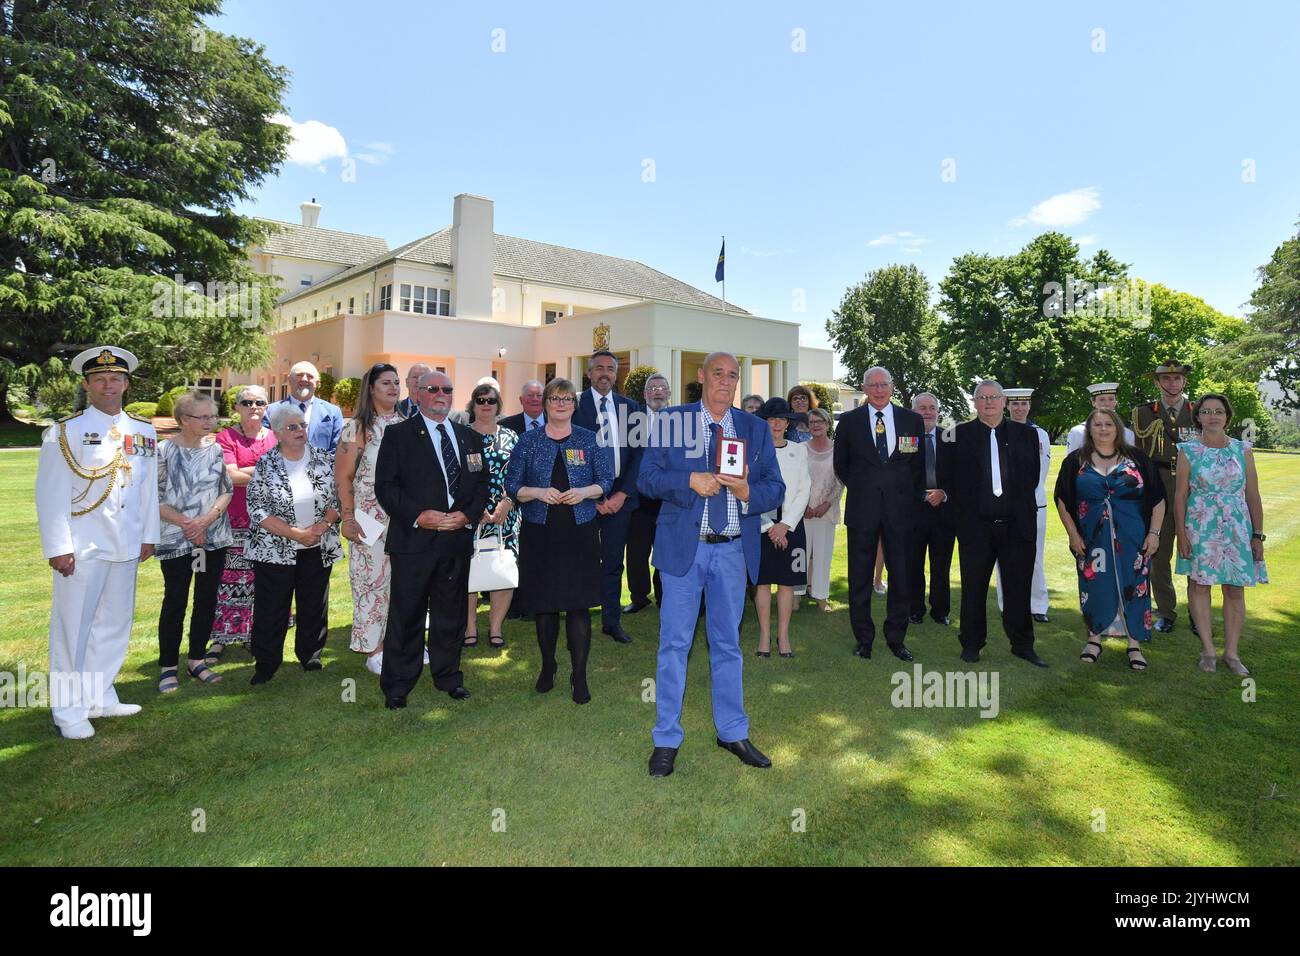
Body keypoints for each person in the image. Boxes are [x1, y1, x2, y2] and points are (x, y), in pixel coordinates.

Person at [639, 351, 785, 777]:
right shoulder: (672, 422)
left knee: (727, 645)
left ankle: (732, 731)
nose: (724, 381)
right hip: (685, 550)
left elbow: (775, 488)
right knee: (674, 645)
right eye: (717, 373)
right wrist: (687, 480)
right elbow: (645, 479)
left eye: (732, 375)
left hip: (733, 551)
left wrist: (745, 493)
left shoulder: (755, 429)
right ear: (701, 376)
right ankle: (666, 737)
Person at [36, 346, 159, 739]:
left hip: (125, 541)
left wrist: (149, 535)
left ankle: (99, 695)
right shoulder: (64, 431)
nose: (110, 385)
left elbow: (147, 489)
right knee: (74, 628)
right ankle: (68, 710)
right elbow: (50, 493)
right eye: (101, 379)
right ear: (87, 384)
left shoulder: (143, 430)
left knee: (114, 623)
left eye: (116, 378)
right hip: (83, 544)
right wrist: (58, 546)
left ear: (126, 383)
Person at [374, 371, 490, 707]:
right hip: (414, 541)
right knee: (406, 614)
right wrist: (418, 515)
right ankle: (397, 685)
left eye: (447, 389)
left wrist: (466, 515)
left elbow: (482, 483)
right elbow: (386, 487)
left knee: (450, 615)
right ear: (419, 394)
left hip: (455, 541)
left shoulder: (468, 437)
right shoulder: (399, 435)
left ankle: (448, 676)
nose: (441, 394)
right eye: (433, 389)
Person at [506, 378, 612, 703]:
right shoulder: (528, 440)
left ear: (574, 405)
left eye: (567, 399)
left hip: (579, 532)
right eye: (555, 398)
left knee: (578, 605)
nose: (561, 404)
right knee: (546, 606)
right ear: (546, 403)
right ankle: (547, 665)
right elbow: (512, 485)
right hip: (541, 533)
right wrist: (538, 492)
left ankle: (578, 674)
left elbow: (605, 480)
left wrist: (584, 492)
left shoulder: (587, 439)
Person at [937, 380, 1048, 667]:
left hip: (1016, 526)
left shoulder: (1026, 435)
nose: (988, 402)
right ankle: (972, 644)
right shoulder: (955, 436)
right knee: (973, 588)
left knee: (1018, 588)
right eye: (982, 398)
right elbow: (946, 478)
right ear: (974, 403)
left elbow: (1032, 478)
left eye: (994, 397)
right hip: (976, 528)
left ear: (1003, 401)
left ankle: (1023, 645)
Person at [1054, 409, 1166, 670]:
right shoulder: (1075, 461)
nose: (1103, 429)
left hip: (1133, 535)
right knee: (1094, 585)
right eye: (1097, 425)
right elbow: (1062, 499)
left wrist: (1154, 533)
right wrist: (1072, 534)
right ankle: (1094, 638)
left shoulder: (1137, 458)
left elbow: (1158, 498)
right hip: (1092, 537)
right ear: (1089, 429)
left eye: (1108, 424)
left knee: (1134, 584)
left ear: (1117, 428)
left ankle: (1134, 642)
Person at [832, 366, 925, 661]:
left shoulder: (912, 420)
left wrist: (900, 494)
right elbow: (841, 465)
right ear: (864, 388)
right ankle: (864, 639)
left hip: (901, 511)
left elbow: (917, 466)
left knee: (901, 575)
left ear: (892, 386)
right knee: (859, 576)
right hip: (863, 510)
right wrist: (866, 488)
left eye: (883, 384)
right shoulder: (848, 422)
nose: (878, 389)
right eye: (872, 385)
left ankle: (896, 638)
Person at [245, 404, 342, 684]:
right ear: (277, 433)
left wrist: (321, 527)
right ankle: (266, 663)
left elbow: (338, 500)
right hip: (274, 549)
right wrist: (296, 534)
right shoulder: (266, 463)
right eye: (292, 427)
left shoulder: (324, 459)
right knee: (271, 608)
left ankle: (310, 655)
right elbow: (257, 509)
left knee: (314, 604)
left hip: (317, 545)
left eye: (302, 425)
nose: (300, 431)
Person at [1174, 393, 1267, 675]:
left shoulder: (1243, 450)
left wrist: (1258, 535)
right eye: (1206, 411)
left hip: (1238, 527)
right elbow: (1180, 496)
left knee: (1234, 588)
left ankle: (1232, 653)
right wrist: (1181, 533)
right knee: (1200, 586)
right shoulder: (1188, 450)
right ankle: (1208, 651)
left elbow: (1252, 494)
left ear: (1227, 416)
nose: (1212, 416)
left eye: (1218, 411)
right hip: (1200, 525)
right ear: (1198, 416)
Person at [156, 392, 233, 692]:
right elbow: (153, 497)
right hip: (176, 540)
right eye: (204, 417)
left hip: (212, 539)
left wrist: (205, 521)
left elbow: (226, 489)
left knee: (206, 599)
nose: (211, 422)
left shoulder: (215, 451)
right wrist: (188, 525)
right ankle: (168, 667)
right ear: (184, 420)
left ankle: (196, 660)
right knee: (175, 601)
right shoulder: (162, 451)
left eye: (213, 416)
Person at [335, 363, 405, 675]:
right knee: (370, 583)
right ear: (372, 389)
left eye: (396, 382)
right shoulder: (356, 427)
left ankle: (397, 643)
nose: (393, 388)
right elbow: (343, 477)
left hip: (402, 518)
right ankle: (373, 649)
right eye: (386, 383)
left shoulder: (407, 425)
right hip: (368, 518)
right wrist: (348, 518)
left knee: (401, 584)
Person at [572, 350, 643, 644]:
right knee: (579, 559)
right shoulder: (574, 404)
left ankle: (611, 621)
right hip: (583, 496)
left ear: (616, 374)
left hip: (619, 498)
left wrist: (622, 494)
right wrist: (591, 495)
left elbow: (639, 455)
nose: (604, 373)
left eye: (610, 369)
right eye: (598, 368)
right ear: (589, 373)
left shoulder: (631, 407)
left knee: (613, 562)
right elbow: (569, 451)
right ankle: (577, 618)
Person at [1131, 361, 1197, 633]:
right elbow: (1137, 455)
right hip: (1157, 488)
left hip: (1192, 490)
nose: (1171, 383)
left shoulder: (1200, 411)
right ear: (1157, 383)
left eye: (1176, 378)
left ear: (1184, 382)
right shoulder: (1143, 413)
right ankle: (1167, 612)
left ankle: (1197, 613)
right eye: (1165, 379)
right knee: (1158, 556)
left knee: (1196, 555)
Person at [212, 386, 277, 654]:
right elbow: (230, 476)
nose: (253, 407)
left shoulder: (274, 436)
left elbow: (283, 471)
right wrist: (264, 472)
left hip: (269, 521)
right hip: (234, 519)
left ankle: (254, 634)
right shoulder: (225, 437)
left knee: (263, 580)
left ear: (266, 407)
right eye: (246, 402)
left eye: (259, 402)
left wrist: (247, 471)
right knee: (230, 581)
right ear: (236, 407)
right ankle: (221, 637)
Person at [752, 398, 811, 657]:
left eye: (782, 419)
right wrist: (769, 527)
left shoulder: (799, 451)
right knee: (762, 583)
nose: (777, 424)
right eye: (772, 419)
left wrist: (785, 525)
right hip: (762, 526)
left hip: (791, 526)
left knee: (787, 584)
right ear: (764, 422)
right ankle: (764, 637)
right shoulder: (754, 451)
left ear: (788, 423)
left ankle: (783, 637)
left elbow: (803, 489)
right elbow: (750, 490)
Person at [463, 381, 519, 649]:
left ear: (498, 406)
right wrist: (477, 509)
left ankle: (495, 628)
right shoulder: (460, 435)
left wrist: (506, 502)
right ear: (472, 404)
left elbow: (519, 474)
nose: (486, 405)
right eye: (480, 400)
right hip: (468, 514)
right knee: (468, 568)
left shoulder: (511, 436)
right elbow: (454, 478)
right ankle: (470, 626)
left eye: (491, 401)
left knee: (502, 566)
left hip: (505, 514)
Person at [999, 388, 1051, 623]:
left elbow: (1042, 471)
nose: (1020, 408)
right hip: (1003, 506)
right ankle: (1006, 604)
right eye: (1015, 403)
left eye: (1024, 403)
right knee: (1004, 557)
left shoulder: (1040, 434)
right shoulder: (999, 431)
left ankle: (1037, 605)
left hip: (1034, 503)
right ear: (1007, 406)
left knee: (1035, 556)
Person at [907, 392, 955, 626]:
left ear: (938, 411)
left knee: (941, 564)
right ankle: (915, 609)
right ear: (913, 411)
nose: (927, 412)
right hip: (915, 510)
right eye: (922, 408)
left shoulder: (950, 437)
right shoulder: (906, 439)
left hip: (944, 512)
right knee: (914, 564)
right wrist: (922, 495)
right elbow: (901, 475)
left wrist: (944, 494)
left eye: (932, 408)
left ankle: (940, 610)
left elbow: (962, 477)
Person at [625, 373, 670, 612]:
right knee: (636, 550)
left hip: (668, 498)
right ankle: (639, 596)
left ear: (669, 394)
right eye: (652, 388)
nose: (657, 392)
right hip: (638, 497)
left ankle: (664, 596)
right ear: (644, 395)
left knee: (664, 549)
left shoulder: (679, 420)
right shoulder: (633, 421)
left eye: (662, 388)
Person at [802, 406, 842, 612]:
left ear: (828, 424)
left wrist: (825, 504)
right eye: (812, 422)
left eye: (820, 422)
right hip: (803, 512)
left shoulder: (838, 449)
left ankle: (821, 599)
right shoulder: (800, 449)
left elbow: (840, 481)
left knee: (823, 556)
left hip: (827, 511)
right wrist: (805, 507)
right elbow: (796, 480)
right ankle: (795, 596)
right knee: (800, 556)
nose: (816, 425)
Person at [265, 360, 344, 453]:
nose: (304, 379)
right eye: (299, 375)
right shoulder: (271, 411)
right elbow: (264, 447)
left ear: (317, 383)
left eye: (310, 376)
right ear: (289, 379)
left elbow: (337, 449)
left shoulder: (333, 412)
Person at [1066, 383, 1135, 453]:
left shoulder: (1127, 434)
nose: (1107, 403)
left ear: (1115, 402)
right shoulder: (1078, 432)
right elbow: (1071, 462)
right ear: (1093, 402)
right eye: (1102, 399)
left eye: (1111, 399)